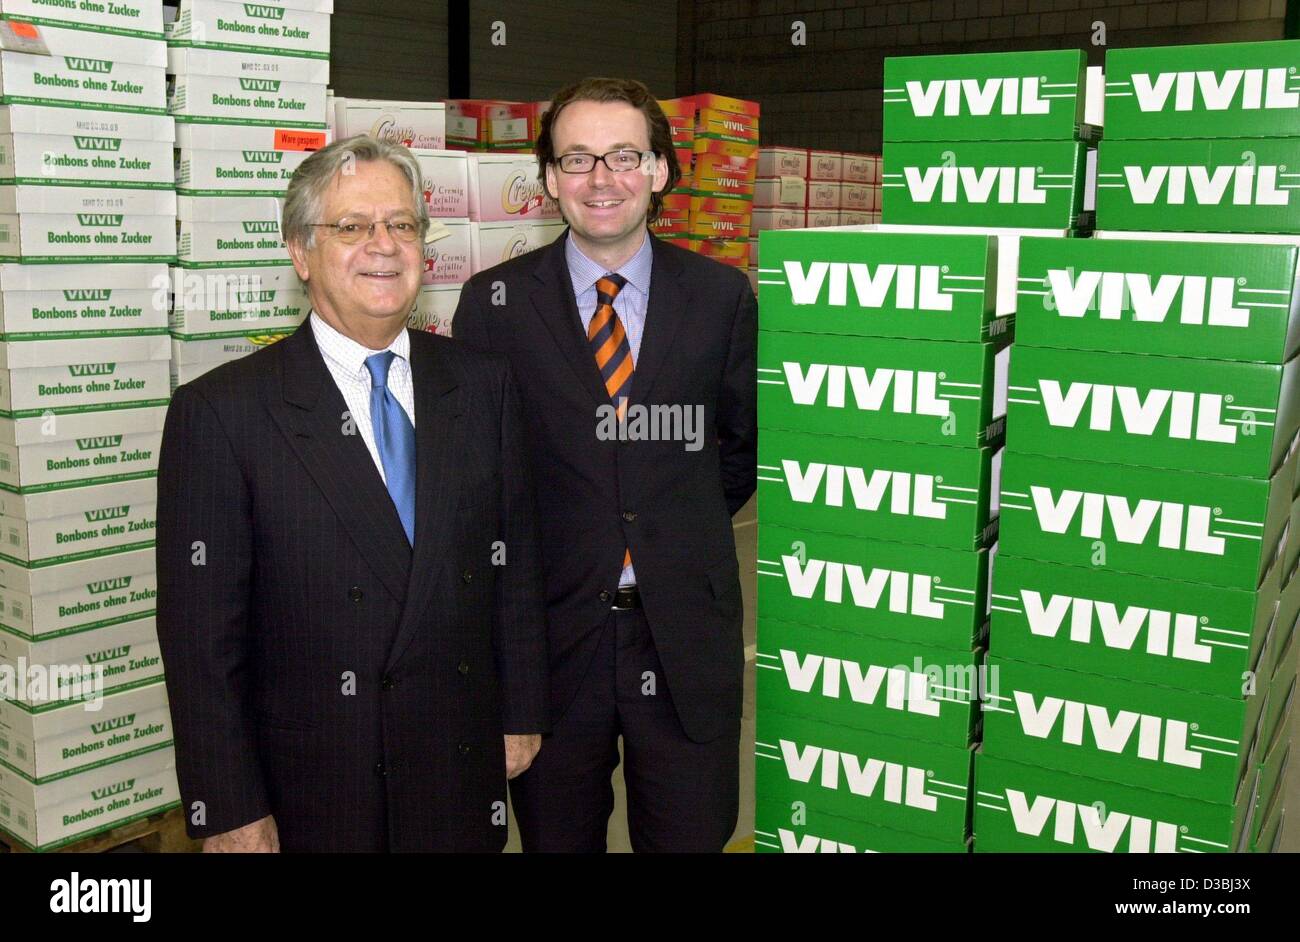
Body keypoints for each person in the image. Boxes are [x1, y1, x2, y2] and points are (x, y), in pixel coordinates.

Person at [155, 135, 549, 853]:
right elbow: (200, 640)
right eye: (351, 226)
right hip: (315, 790)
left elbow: (513, 566)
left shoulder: (482, 384)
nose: (384, 245)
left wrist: (521, 709)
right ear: (300, 252)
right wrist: (229, 805)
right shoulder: (223, 412)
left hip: (460, 773)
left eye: (403, 224)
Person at [453, 77, 757, 852]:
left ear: (659, 170)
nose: (601, 179)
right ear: (550, 179)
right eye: (577, 159)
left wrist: (664, 540)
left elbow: (738, 456)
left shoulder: (722, 298)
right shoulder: (495, 307)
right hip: (552, 648)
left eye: (624, 156)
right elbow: (479, 483)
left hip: (683, 638)